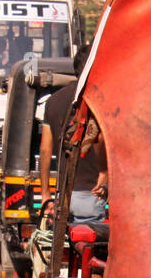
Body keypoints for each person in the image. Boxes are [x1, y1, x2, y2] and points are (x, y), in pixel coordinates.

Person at [38, 44, 107, 227]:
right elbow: (98, 139)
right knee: (90, 250)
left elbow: (45, 150)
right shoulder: (100, 99)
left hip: (63, 195)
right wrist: (104, 172)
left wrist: (46, 195)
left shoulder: (54, 101)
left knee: (65, 249)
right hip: (92, 193)